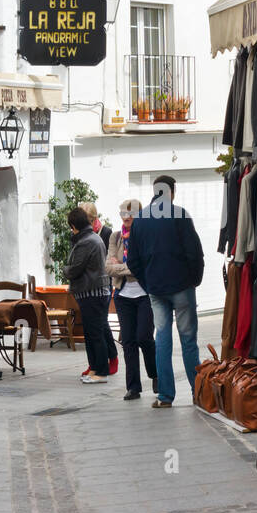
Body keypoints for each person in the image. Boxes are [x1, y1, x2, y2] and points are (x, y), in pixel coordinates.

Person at [126, 175, 203, 408]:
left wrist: (147, 283)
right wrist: (194, 280)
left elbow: (133, 260)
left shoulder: (140, 220)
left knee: (162, 339)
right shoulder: (180, 215)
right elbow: (194, 252)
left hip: (156, 289)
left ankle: (165, 396)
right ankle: (196, 392)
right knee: (188, 340)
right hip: (182, 287)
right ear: (172, 191)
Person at [106, 198, 157, 401]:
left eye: (130, 213)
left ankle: (155, 375)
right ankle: (133, 387)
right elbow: (108, 267)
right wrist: (130, 268)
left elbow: (146, 267)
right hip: (123, 295)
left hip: (144, 294)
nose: (126, 218)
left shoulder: (147, 237)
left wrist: (123, 266)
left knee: (144, 337)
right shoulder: (115, 237)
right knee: (128, 340)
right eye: (122, 214)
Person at [63, 207, 111, 384]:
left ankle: (101, 372)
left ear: (75, 225)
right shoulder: (91, 238)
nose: (71, 230)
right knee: (91, 334)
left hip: (92, 293)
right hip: (93, 292)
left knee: (95, 334)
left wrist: (65, 269)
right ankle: (95, 369)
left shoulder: (86, 242)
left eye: (71, 227)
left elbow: (74, 269)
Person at [79, 201, 119, 376]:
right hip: (88, 285)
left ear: (93, 218)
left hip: (103, 285)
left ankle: (112, 358)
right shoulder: (81, 234)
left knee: (101, 324)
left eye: (87, 220)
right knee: (92, 326)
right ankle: (94, 363)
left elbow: (111, 259)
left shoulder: (106, 233)